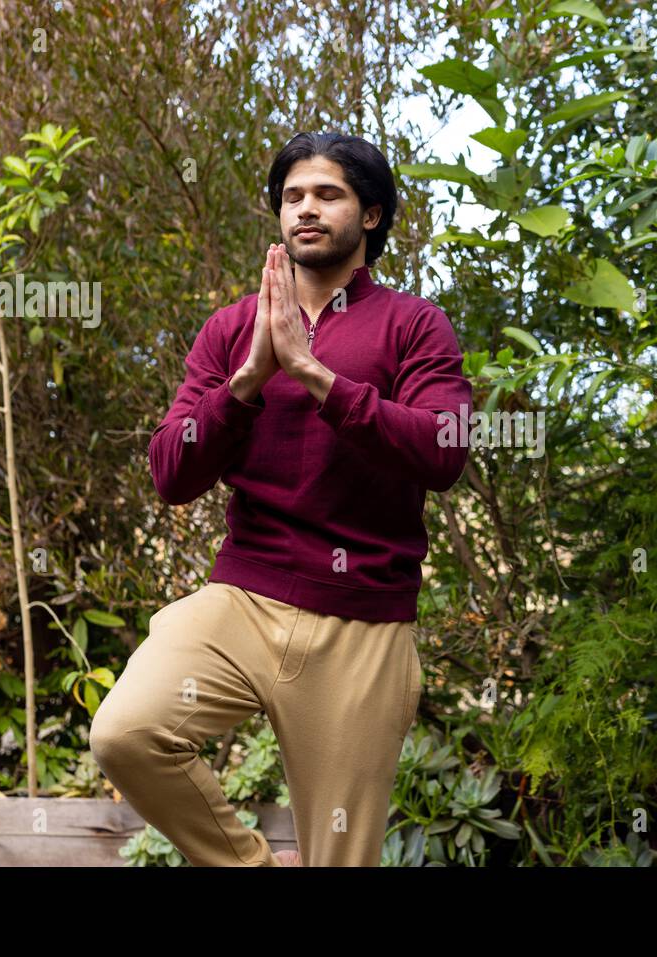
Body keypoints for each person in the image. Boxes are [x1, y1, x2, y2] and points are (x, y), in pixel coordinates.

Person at [90, 131, 472, 867]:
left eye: (328, 194)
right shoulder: (234, 329)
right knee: (126, 731)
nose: (305, 209)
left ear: (371, 216)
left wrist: (314, 374)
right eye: (292, 196)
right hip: (243, 598)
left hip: (362, 622)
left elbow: (441, 450)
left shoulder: (413, 325)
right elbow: (171, 472)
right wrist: (248, 382)